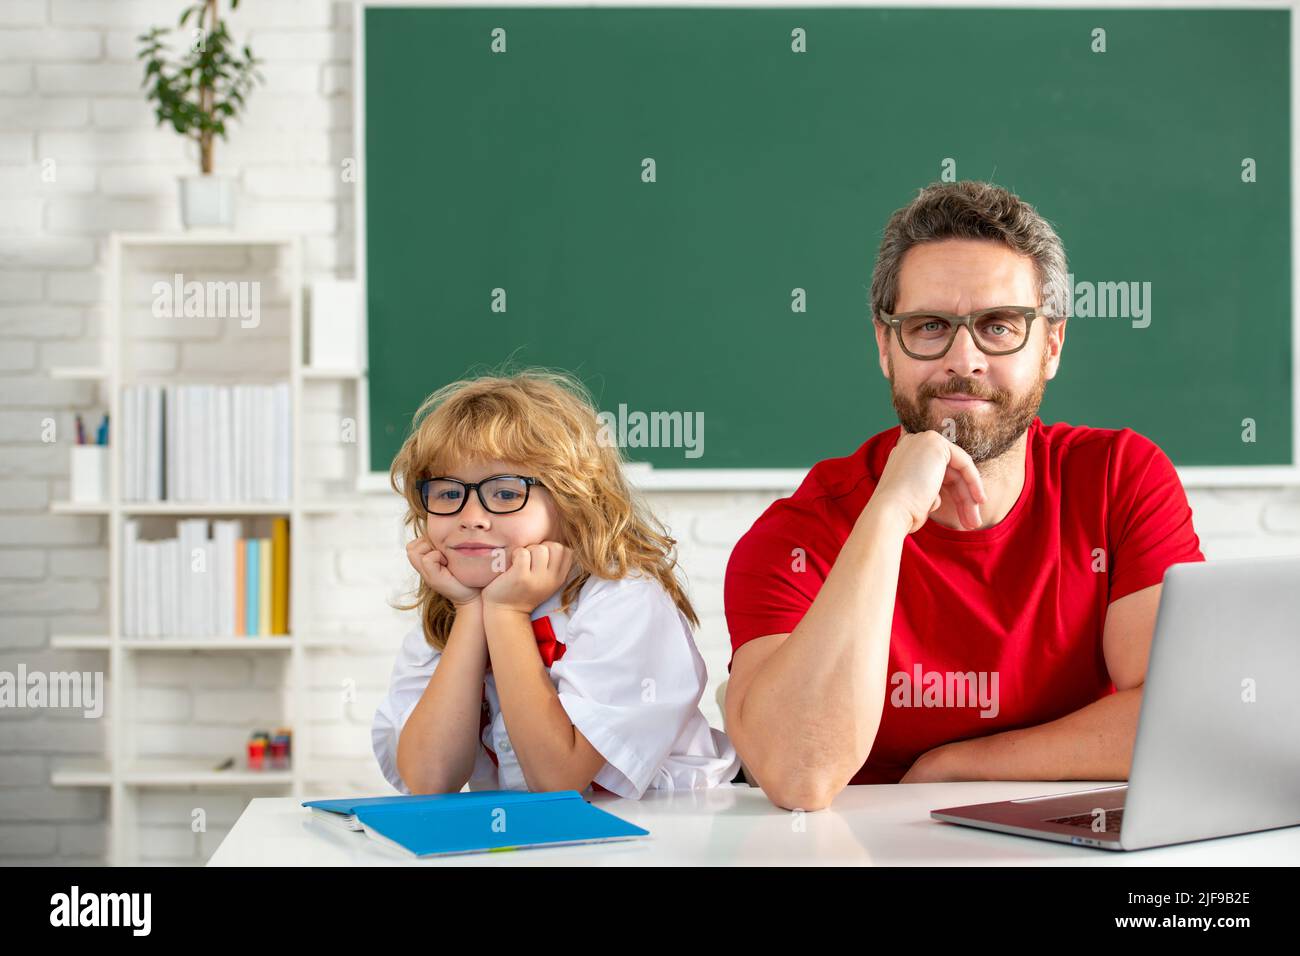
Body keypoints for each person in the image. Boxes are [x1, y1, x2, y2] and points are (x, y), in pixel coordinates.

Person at [723, 180, 1205, 810]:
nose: (964, 358)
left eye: (999, 326)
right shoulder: (798, 534)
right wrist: (888, 514)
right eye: (928, 327)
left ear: (1051, 344)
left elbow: (1186, 715)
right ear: (884, 346)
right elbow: (796, 772)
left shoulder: (1120, 478)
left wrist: (961, 766)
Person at [373, 369, 740, 798]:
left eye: (506, 493)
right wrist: (472, 614)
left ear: (572, 502)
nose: (471, 516)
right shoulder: (456, 604)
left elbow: (559, 780)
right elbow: (429, 780)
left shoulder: (624, 600)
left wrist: (506, 615)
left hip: (674, 829)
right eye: (448, 494)